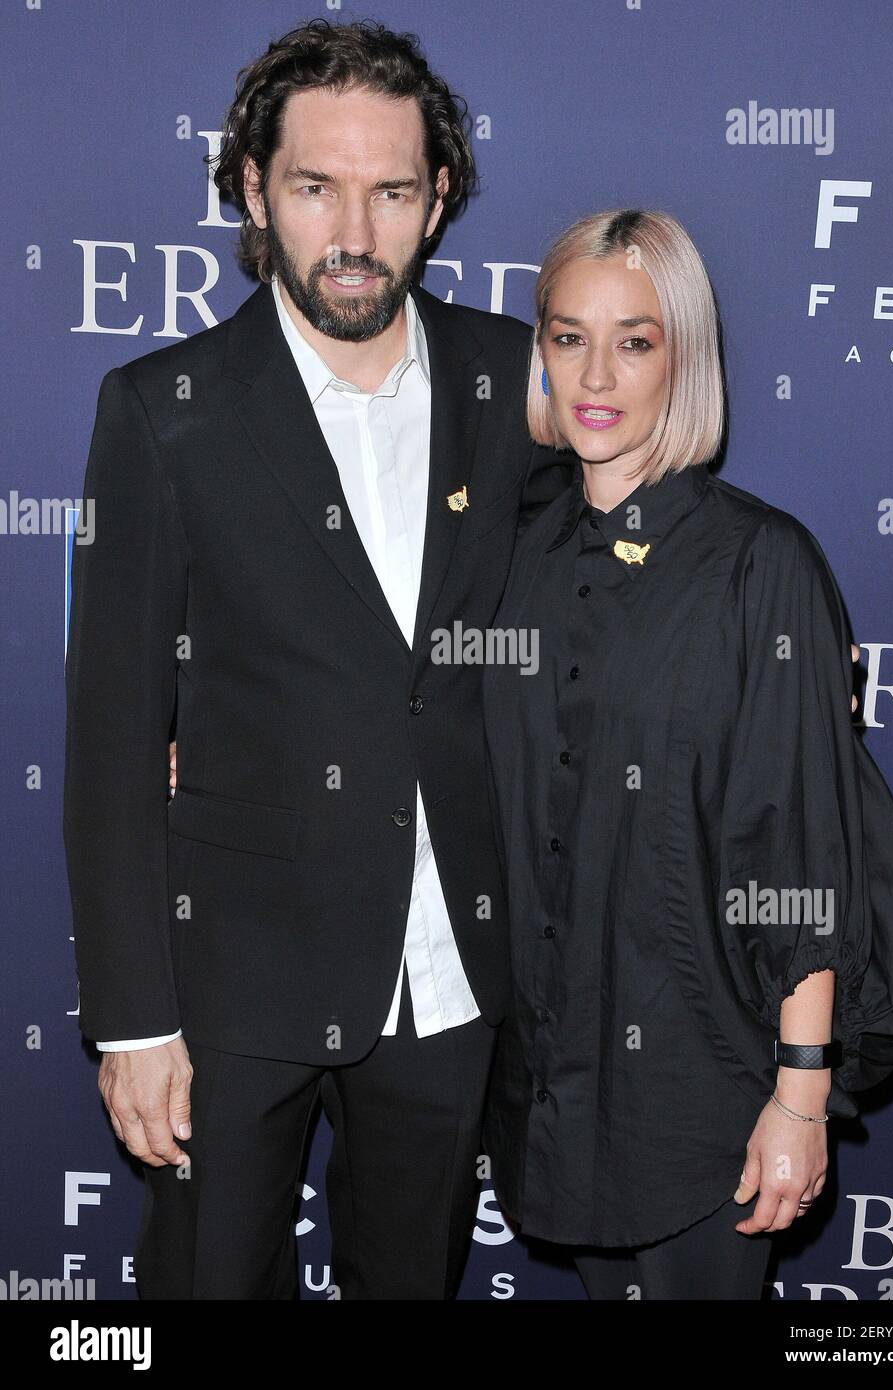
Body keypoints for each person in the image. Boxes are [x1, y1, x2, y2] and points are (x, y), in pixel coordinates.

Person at [62, 17, 569, 1300]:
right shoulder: (163, 412)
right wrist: (133, 1019)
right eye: (314, 186)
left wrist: (769, 628)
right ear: (251, 189)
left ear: (437, 198)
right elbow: (112, 737)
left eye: (392, 189)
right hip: (231, 981)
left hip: (446, 965)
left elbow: (618, 562)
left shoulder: (511, 380)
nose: (355, 229)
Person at [479, 208, 893, 1300]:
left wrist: (798, 1096)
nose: (597, 372)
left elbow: (802, 849)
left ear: (683, 359)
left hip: (708, 1086)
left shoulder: (760, 564)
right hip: (549, 1078)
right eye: (566, 334)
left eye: (635, 340)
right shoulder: (509, 551)